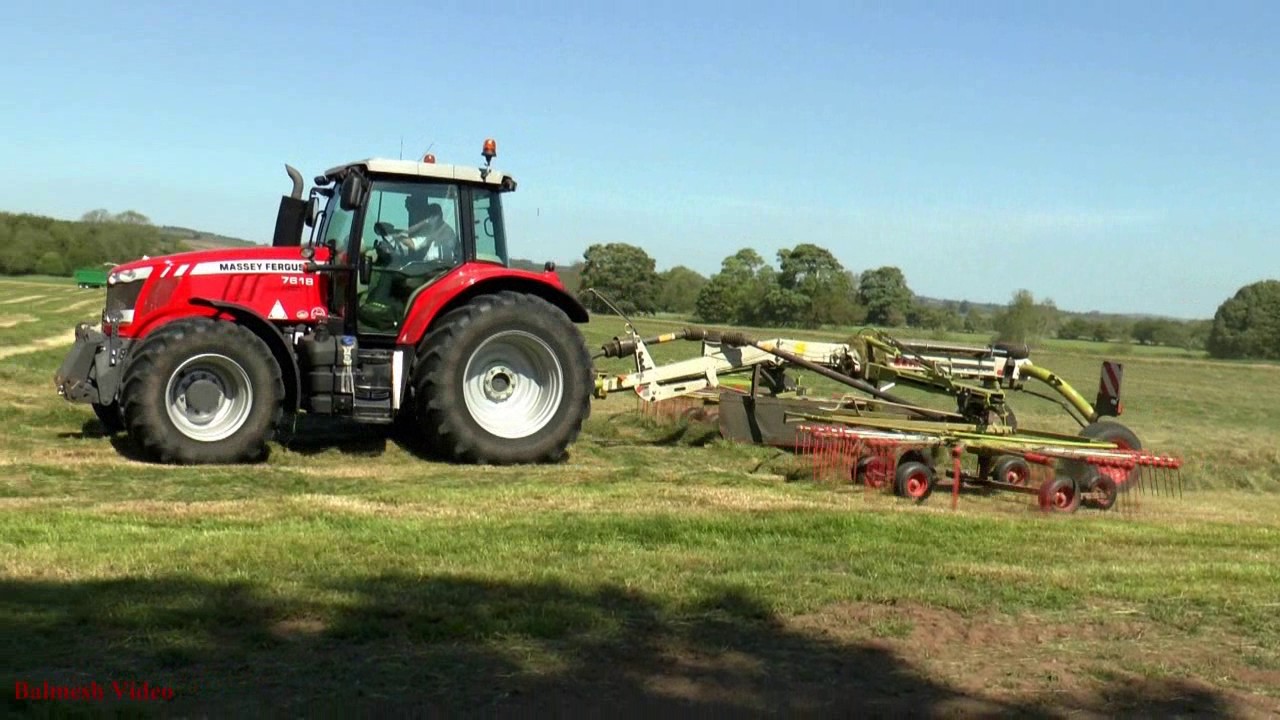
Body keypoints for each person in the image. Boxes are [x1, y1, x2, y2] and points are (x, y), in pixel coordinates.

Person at [397, 194, 460, 264]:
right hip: (431, 264)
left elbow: (414, 245)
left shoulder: (445, 231)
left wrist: (398, 237)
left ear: (436, 216)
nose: (427, 220)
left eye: (429, 216)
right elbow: (416, 242)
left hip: (440, 265)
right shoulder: (431, 228)